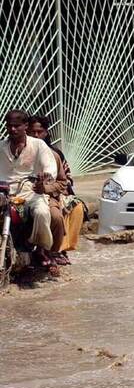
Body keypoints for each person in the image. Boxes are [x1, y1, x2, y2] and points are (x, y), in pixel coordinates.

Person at [1, 110, 64, 273]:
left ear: (25, 126)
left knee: (42, 213)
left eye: (16, 126)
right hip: (4, 193)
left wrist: (46, 176)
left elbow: (51, 169)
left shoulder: (39, 146)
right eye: (9, 126)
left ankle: (41, 249)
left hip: (31, 191)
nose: (12, 129)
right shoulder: (1, 147)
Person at [28, 116, 83, 261]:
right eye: (32, 132)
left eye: (39, 132)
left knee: (61, 215)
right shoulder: (13, 150)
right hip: (19, 194)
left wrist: (47, 189)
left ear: (46, 133)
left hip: (49, 195)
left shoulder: (54, 154)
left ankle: (53, 251)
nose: (36, 136)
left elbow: (64, 181)